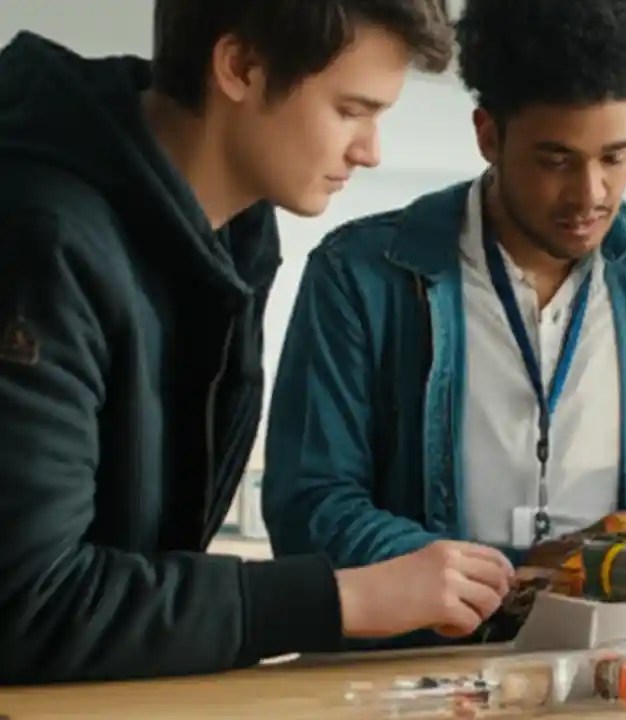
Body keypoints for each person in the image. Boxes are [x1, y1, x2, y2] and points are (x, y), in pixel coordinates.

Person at [0, 0, 517, 685]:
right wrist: (344, 598)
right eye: (350, 110)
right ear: (240, 67)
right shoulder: (41, 239)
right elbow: (27, 607)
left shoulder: (237, 235)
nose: (370, 150)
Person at [260, 0, 626, 642]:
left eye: (616, 156)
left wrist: (609, 568)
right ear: (489, 135)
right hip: (404, 671)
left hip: (620, 670)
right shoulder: (360, 274)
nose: (591, 194)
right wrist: (503, 581)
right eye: (556, 160)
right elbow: (311, 505)